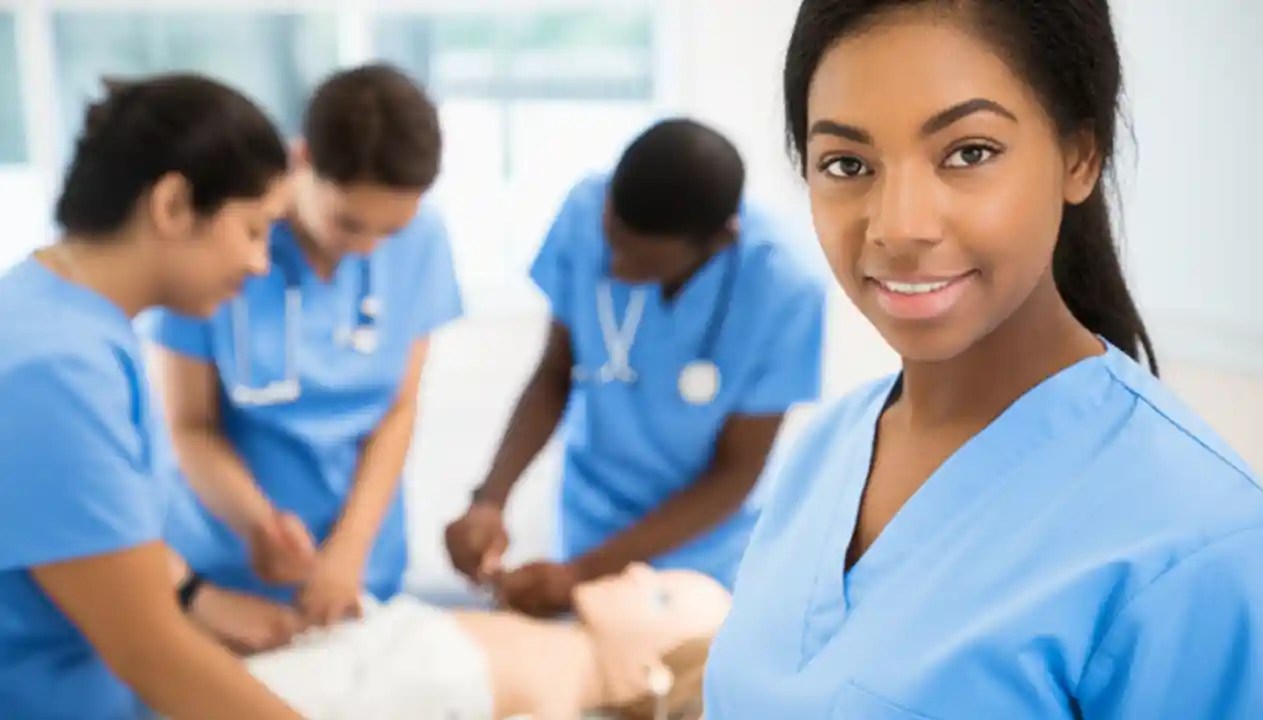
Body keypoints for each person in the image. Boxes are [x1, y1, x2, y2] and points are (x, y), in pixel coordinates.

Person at [703, 1, 1263, 718]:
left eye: (968, 153)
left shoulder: (1200, 543)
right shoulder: (825, 451)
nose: (899, 226)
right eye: (847, 164)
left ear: (1079, 156)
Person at [0, 74, 302, 718]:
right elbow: (151, 652)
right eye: (253, 229)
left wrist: (195, 594)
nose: (260, 264)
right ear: (171, 205)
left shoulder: (55, 317)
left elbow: (79, 527)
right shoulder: (54, 369)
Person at [445, 118, 827, 617]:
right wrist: (489, 499)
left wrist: (582, 573)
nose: (614, 265)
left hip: (707, 551)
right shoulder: (584, 213)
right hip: (590, 518)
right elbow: (554, 373)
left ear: (719, 242)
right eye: (612, 239)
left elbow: (737, 472)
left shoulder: (784, 287)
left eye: (640, 259)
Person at [143, 63, 463, 628]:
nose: (367, 249)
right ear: (303, 159)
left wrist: (349, 549)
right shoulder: (219, 240)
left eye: (389, 232)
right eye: (348, 223)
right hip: (230, 564)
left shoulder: (423, 239)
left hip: (363, 562)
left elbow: (399, 408)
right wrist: (259, 525)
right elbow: (189, 422)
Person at [244, 563, 727, 720]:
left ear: (646, 673)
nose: (639, 570)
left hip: (385, 684)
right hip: (369, 650)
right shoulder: (551, 635)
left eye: (663, 598)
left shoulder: (557, 699)